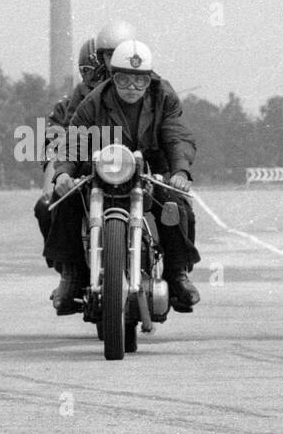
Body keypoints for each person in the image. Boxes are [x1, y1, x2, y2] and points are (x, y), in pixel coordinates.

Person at [44, 39, 201, 313]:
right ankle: (72, 275)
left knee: (177, 204)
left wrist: (180, 171)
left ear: (149, 78)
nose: (132, 87)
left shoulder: (163, 95)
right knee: (65, 203)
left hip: (150, 167)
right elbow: (74, 139)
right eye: (124, 79)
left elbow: (176, 135)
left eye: (140, 81)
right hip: (102, 168)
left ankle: (177, 275)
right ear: (113, 76)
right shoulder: (94, 100)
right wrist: (63, 173)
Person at [33, 24, 133, 257]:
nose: (95, 80)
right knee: (47, 207)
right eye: (87, 73)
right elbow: (55, 148)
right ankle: (69, 269)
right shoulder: (68, 105)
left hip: (131, 173)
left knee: (174, 205)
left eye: (100, 73)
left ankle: (175, 273)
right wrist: (55, 182)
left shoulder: (140, 95)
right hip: (85, 175)